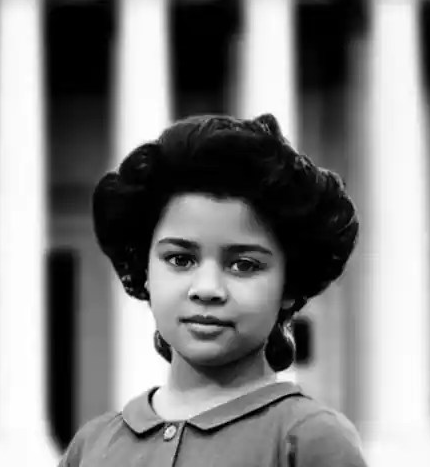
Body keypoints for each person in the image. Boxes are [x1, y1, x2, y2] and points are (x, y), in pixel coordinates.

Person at [59, 113, 366, 466]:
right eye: (179, 259)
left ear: (290, 284)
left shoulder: (308, 439)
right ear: (145, 270)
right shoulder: (93, 445)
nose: (207, 289)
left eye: (244, 265)